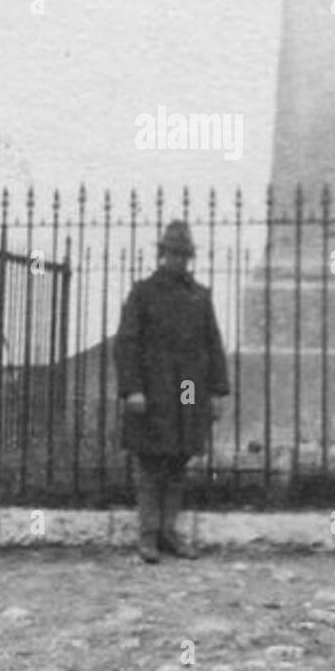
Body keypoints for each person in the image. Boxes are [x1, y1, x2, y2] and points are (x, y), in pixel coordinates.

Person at [113, 219, 229, 563]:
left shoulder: (199, 296)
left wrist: (216, 391)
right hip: (152, 388)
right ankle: (148, 536)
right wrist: (132, 389)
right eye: (171, 254)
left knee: (179, 457)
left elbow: (213, 344)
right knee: (151, 462)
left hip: (188, 387)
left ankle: (168, 532)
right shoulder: (143, 293)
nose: (177, 261)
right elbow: (126, 344)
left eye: (183, 255)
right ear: (161, 255)